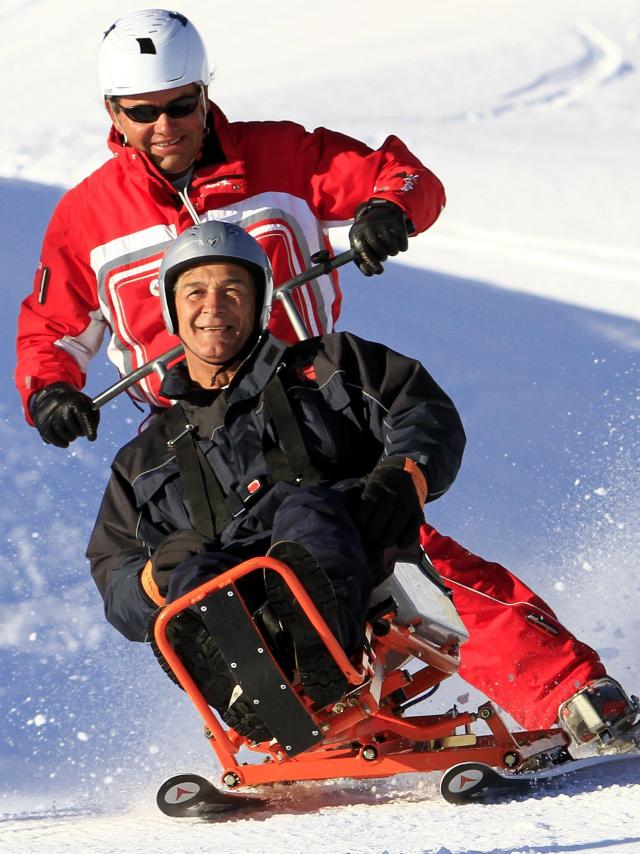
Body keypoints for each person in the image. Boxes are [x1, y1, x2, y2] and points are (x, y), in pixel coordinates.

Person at [20, 9, 638, 753]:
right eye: (143, 112)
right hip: (194, 440)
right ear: (112, 112)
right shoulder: (89, 216)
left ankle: (566, 693)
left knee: (396, 546)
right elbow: (53, 327)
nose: (165, 126)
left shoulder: (277, 157)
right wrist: (51, 389)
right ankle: (287, 718)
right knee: (204, 577)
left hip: (311, 403)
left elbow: (403, 176)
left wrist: (389, 209)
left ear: (205, 92)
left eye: (181, 104)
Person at [87, 220, 466, 739]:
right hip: (247, 600)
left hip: (366, 568)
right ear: (173, 311)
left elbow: (419, 409)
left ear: (260, 303)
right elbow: (115, 574)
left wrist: (404, 477)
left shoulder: (328, 365)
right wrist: (153, 577)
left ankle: (327, 667)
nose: (213, 307)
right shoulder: (145, 459)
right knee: (195, 578)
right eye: (194, 292)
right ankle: (258, 703)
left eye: (232, 291)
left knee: (305, 511)